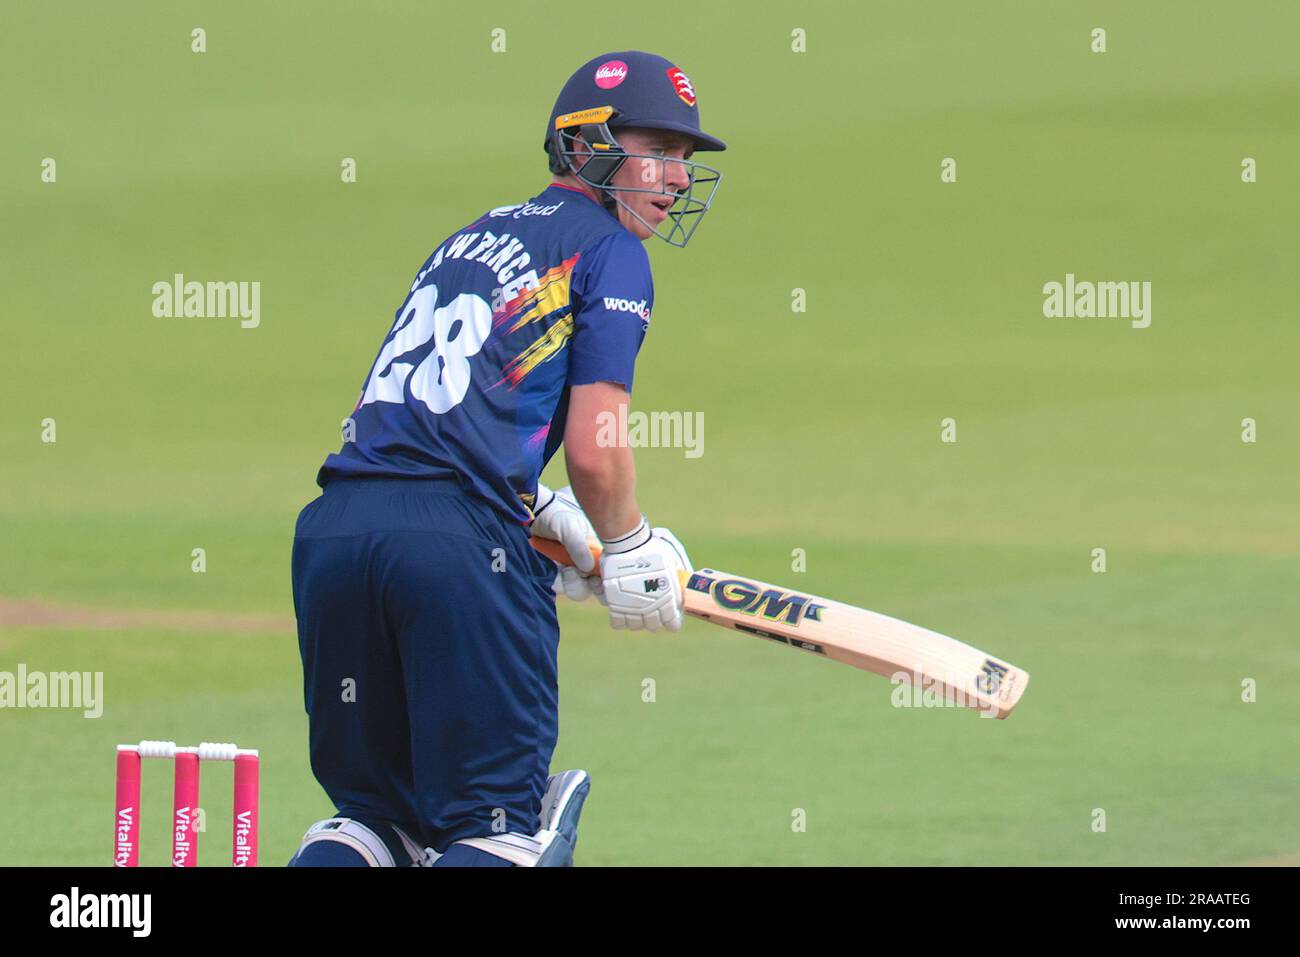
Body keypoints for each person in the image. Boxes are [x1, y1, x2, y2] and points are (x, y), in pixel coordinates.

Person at [288, 50, 725, 866]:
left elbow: (400, 413)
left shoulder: (470, 235)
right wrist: (628, 545)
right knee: (502, 834)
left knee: (374, 824)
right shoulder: (610, 252)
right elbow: (597, 446)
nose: (674, 178)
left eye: (685, 160)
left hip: (335, 538)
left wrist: (522, 506)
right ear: (589, 144)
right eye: (658, 149)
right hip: (454, 549)